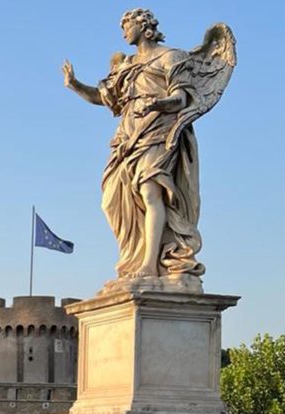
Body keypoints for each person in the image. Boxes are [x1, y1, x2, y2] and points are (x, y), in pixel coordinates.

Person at [60, 9, 234, 281]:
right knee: (112, 199)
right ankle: (134, 256)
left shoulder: (171, 57)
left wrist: (158, 103)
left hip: (159, 130)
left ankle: (150, 265)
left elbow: (181, 98)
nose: (123, 32)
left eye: (127, 25)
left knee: (150, 191)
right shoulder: (126, 65)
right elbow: (105, 99)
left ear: (144, 26)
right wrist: (74, 85)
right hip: (128, 135)